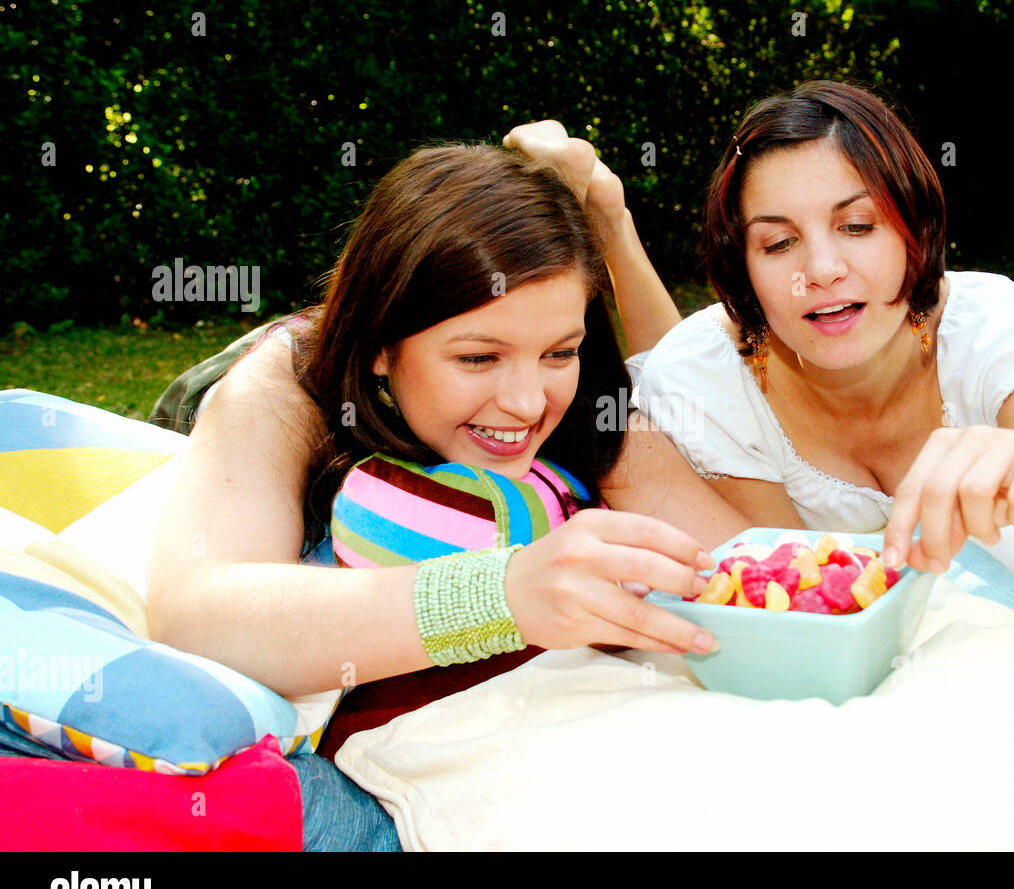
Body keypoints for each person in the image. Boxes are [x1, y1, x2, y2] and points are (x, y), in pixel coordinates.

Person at [633, 80, 1014, 662]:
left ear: (914, 229)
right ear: (742, 267)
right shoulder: (710, 380)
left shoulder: (994, 330)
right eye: (778, 243)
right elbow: (809, 612)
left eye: (857, 226)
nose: (820, 269)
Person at [146, 140, 750, 704]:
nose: (527, 402)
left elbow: (745, 568)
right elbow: (194, 617)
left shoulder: (594, 402)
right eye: (478, 358)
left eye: (559, 352)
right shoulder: (284, 384)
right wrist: (500, 595)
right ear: (381, 342)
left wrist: (608, 220)